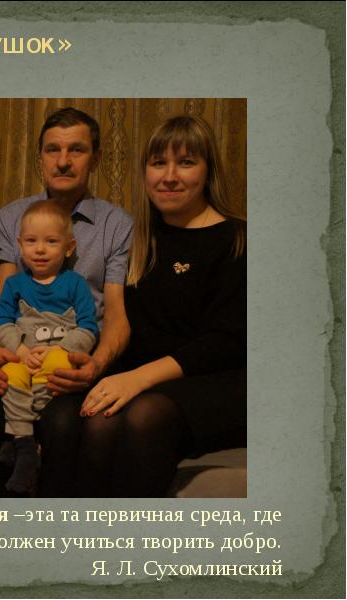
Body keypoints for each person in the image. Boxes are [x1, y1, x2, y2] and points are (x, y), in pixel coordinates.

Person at [0, 107, 133, 497]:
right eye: (53, 149)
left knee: (63, 424)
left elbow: (117, 314)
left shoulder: (116, 224)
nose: (63, 161)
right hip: (19, 351)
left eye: (76, 150)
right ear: (40, 157)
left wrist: (94, 366)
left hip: (74, 358)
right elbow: (2, 297)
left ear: (95, 158)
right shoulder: (12, 217)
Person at [78, 115, 246, 497]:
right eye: (158, 163)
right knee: (98, 418)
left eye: (185, 162)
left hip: (221, 379)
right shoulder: (138, 240)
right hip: (151, 378)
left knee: (145, 415)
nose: (169, 176)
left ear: (207, 171)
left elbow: (225, 342)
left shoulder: (238, 238)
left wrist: (138, 378)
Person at [0, 200, 98, 494]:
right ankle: (25, 443)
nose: (40, 249)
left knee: (57, 368)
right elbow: (2, 322)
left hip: (59, 353)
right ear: (20, 245)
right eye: (31, 241)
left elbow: (88, 327)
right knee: (10, 375)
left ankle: (28, 437)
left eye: (51, 242)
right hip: (23, 354)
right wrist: (20, 351)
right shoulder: (14, 284)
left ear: (68, 247)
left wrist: (58, 350)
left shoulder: (75, 283)